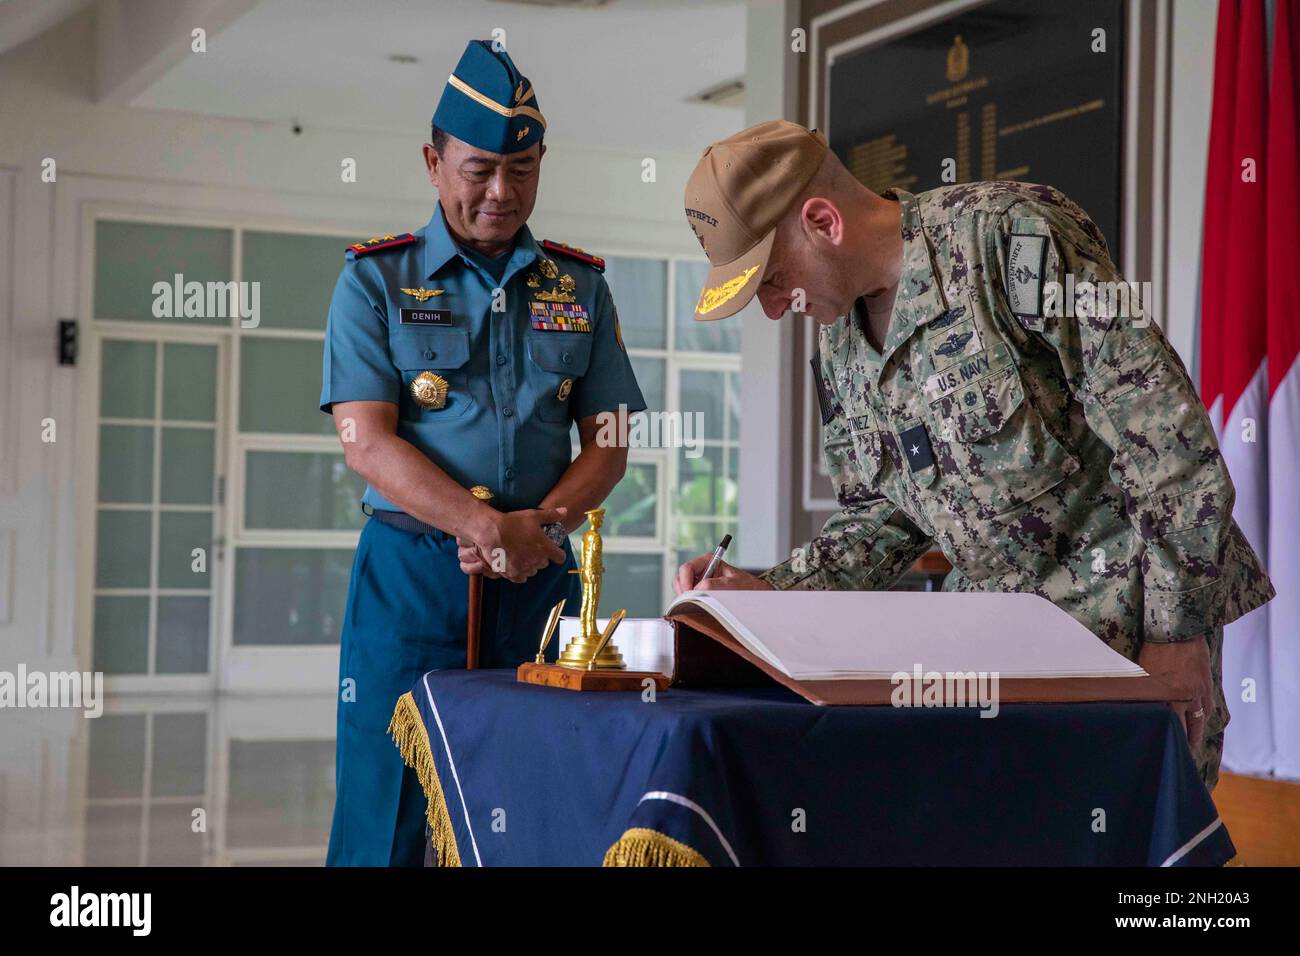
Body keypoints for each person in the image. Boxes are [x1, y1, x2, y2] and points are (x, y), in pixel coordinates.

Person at [674, 120, 1274, 789]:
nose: (774, 309)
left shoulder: (1011, 237)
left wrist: (1177, 633)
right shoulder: (836, 343)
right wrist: (770, 596)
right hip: (987, 658)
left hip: (1122, 644)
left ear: (822, 221)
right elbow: (882, 514)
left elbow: (1165, 434)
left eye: (773, 279)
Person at [321, 39, 645, 865]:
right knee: (387, 801)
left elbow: (607, 438)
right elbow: (366, 440)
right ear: (434, 163)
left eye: (523, 169)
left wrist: (539, 527)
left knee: (541, 793)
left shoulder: (581, 287)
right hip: (415, 576)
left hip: (542, 571)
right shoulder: (374, 283)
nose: (503, 192)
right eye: (479, 170)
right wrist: (480, 525)